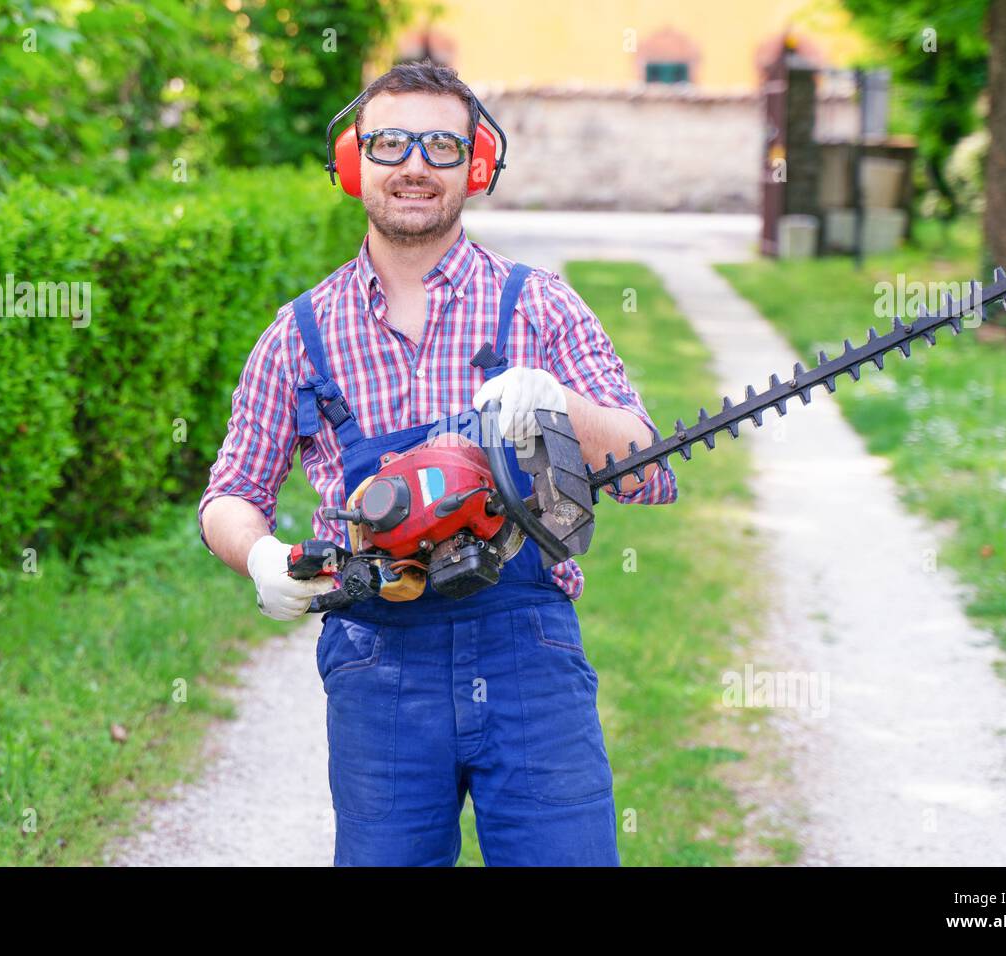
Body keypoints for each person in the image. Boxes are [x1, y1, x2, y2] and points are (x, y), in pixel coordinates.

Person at [198, 60, 677, 866]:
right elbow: (230, 493)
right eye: (389, 144)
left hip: (529, 654)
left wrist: (560, 402)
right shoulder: (299, 333)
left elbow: (648, 471)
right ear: (355, 165)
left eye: (440, 147)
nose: (414, 165)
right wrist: (261, 557)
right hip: (377, 667)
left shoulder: (540, 304)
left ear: (475, 166)